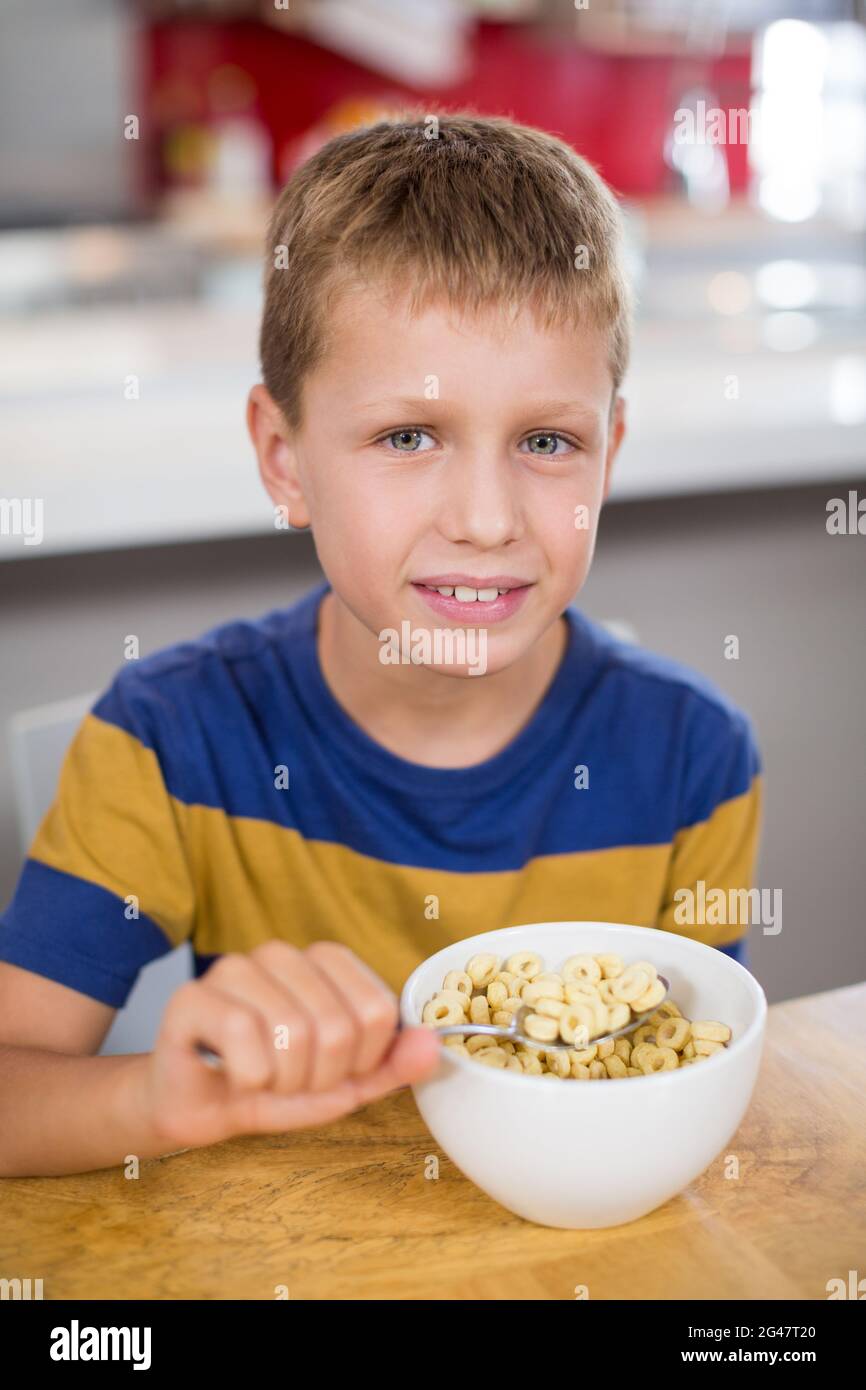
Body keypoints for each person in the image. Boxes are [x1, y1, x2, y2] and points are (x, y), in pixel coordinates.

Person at [0, 114, 762, 1176]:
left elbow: (689, 1060)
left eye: (547, 442)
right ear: (283, 456)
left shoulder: (694, 759)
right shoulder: (170, 742)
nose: (487, 519)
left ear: (609, 453)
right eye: (407, 436)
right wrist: (153, 1096)